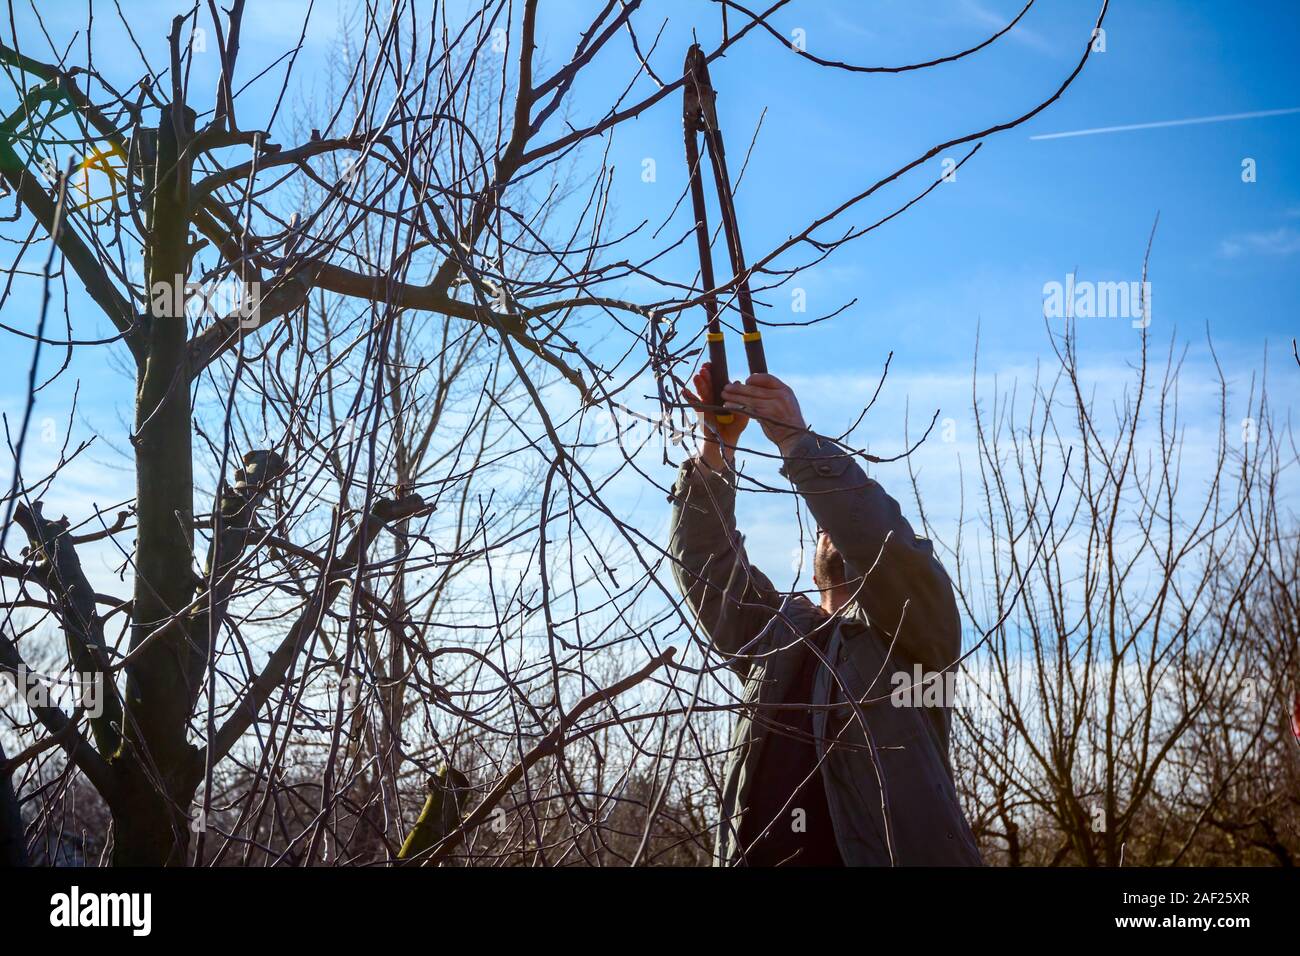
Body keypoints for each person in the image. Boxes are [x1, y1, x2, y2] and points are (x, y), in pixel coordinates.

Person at [669, 364, 983, 866]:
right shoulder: (779, 640)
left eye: (839, 520)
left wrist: (796, 442)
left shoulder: (915, 634)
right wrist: (717, 450)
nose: (830, 529)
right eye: (823, 526)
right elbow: (707, 570)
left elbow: (880, 540)